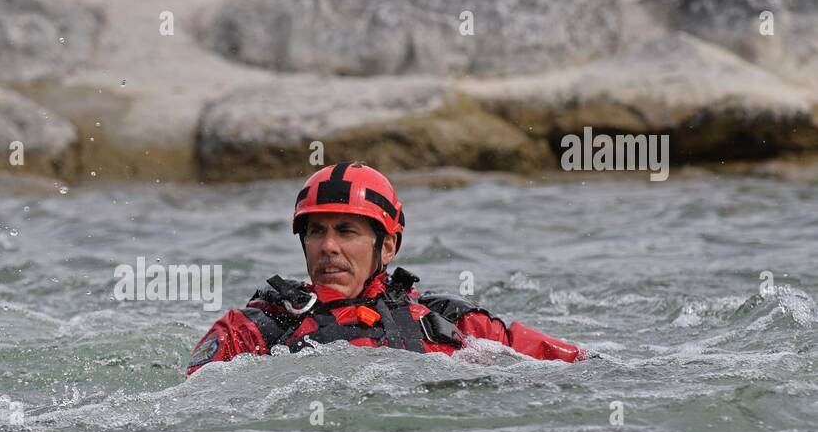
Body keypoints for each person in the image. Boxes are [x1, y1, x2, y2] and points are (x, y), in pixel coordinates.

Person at [187, 162, 584, 375]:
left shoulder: (450, 322)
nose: (328, 247)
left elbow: (576, 366)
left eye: (346, 231)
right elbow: (192, 401)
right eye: (316, 232)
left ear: (388, 246)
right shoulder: (257, 328)